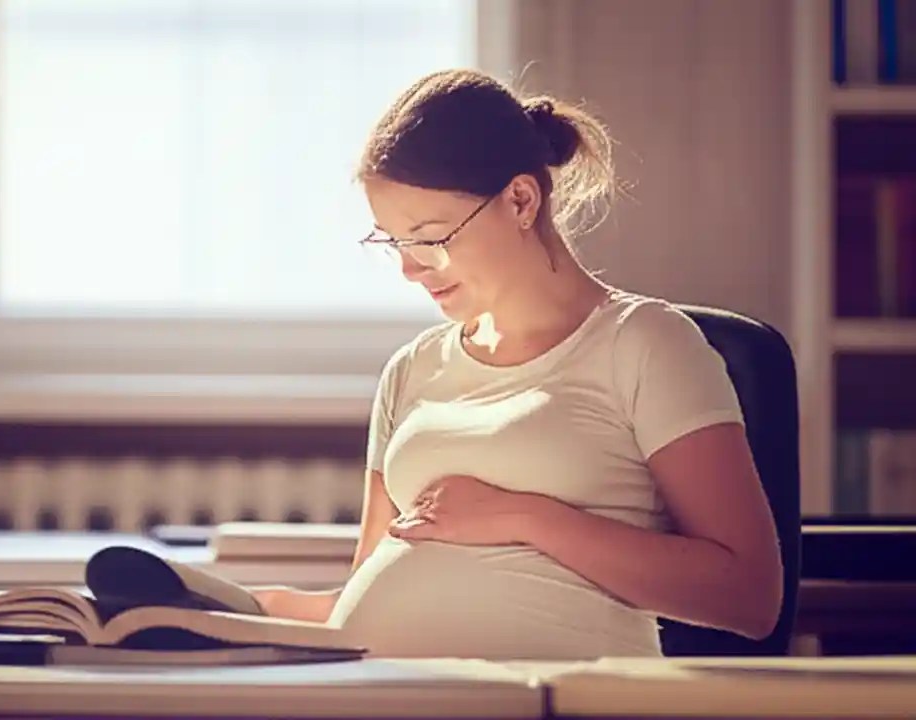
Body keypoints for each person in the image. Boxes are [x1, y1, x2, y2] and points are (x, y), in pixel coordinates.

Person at [251, 68, 783, 660]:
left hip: (554, 699)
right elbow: (363, 591)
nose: (410, 269)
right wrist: (245, 608)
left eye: (429, 237)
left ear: (520, 200)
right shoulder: (411, 369)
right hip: (373, 692)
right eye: (393, 242)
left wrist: (522, 516)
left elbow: (750, 596)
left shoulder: (647, 344)